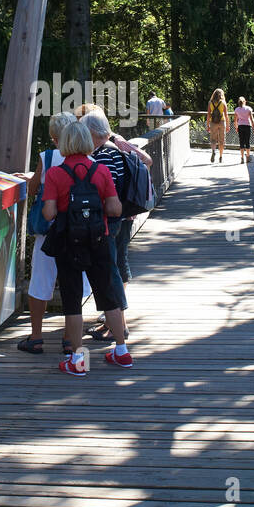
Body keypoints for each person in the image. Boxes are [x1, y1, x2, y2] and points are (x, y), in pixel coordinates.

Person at [41, 120, 132, 374]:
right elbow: (115, 209)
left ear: (65, 142)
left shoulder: (55, 174)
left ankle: (78, 361)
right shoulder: (101, 170)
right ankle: (122, 352)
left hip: (68, 243)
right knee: (108, 296)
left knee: (72, 301)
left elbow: (48, 214)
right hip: (99, 239)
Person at [76, 104, 151, 341]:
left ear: (92, 132)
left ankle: (119, 326)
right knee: (113, 269)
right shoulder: (113, 150)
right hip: (119, 218)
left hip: (110, 221)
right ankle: (112, 324)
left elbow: (106, 190)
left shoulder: (105, 154)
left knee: (110, 272)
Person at [18, 111, 90, 355]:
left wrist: (31, 180)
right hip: (78, 231)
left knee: (40, 280)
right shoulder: (87, 158)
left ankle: (36, 337)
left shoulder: (47, 157)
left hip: (49, 233)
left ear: (54, 136)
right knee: (73, 283)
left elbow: (35, 186)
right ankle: (69, 339)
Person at [206, 88, 229, 163]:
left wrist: (208, 125)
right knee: (221, 140)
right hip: (222, 121)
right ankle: (221, 156)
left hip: (213, 122)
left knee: (213, 139)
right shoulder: (223, 102)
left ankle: (213, 151)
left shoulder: (210, 102)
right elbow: (226, 115)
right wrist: (228, 125)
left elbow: (209, 114)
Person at [234, 96, 254, 163]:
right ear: (245, 101)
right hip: (247, 126)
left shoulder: (237, 109)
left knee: (241, 142)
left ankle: (242, 157)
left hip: (240, 126)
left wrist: (236, 127)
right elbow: (252, 119)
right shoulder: (248, 109)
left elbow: (235, 120)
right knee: (247, 142)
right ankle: (248, 157)